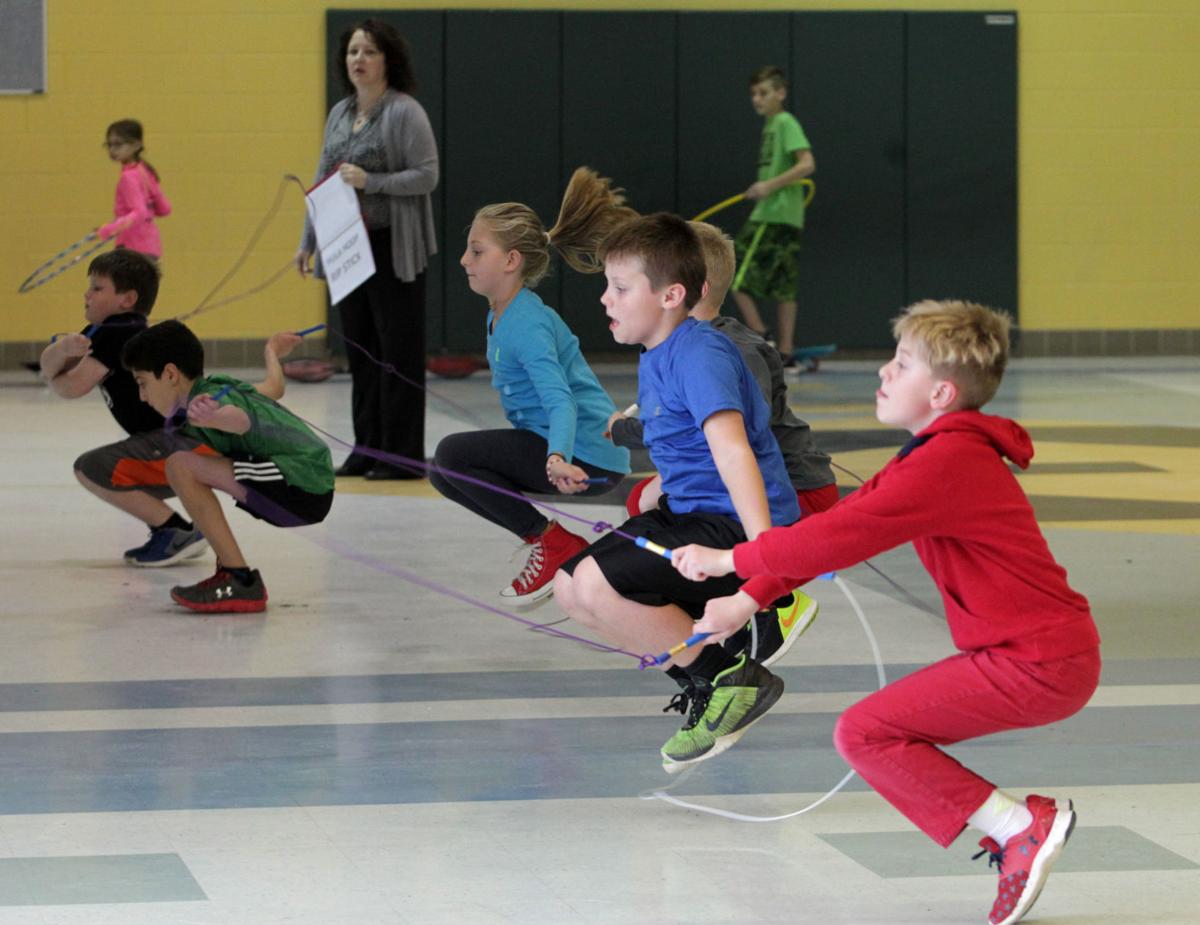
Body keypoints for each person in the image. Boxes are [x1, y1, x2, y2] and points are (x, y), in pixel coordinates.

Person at [672, 300, 1101, 925]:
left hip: (1039, 661)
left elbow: (831, 540)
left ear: (942, 392)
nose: (883, 372)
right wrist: (747, 599)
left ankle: (1019, 828)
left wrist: (728, 561)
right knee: (871, 732)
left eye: (901, 364)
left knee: (867, 732)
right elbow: (834, 527)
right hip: (1034, 654)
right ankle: (1015, 830)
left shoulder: (948, 463)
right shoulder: (932, 456)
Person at [552, 213, 801, 773]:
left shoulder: (700, 354)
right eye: (607, 287)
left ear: (671, 295)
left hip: (732, 527)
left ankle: (726, 679)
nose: (605, 300)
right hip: (691, 514)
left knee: (597, 580)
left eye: (620, 288)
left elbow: (733, 452)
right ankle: (711, 680)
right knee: (570, 585)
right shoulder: (656, 354)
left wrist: (765, 558)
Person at [607, 221, 837, 665]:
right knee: (644, 499)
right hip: (739, 482)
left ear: (682, 289)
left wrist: (622, 431)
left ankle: (773, 603)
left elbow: (741, 440)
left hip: (796, 489)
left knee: (655, 504)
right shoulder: (675, 347)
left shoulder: (724, 350)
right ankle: (708, 599)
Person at [429, 167, 633, 603]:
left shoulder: (528, 324)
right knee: (444, 471)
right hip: (558, 446)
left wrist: (557, 456)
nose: (465, 260)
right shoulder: (501, 312)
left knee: (451, 456)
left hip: (584, 456)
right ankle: (549, 541)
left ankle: (553, 543)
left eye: (476, 251)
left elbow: (560, 400)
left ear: (510, 261)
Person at [296, 18, 438, 480]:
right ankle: (368, 448)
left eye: (369, 51)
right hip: (345, 248)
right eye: (353, 51)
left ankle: (401, 456)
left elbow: (426, 175)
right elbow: (320, 180)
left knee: (397, 351)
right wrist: (307, 242)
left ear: (387, 60)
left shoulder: (405, 111)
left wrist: (370, 181)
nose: (358, 60)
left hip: (392, 245)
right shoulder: (339, 113)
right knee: (360, 351)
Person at [121, 320, 335, 613]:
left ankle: (239, 580)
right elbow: (273, 388)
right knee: (184, 465)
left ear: (170, 374)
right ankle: (232, 573)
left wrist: (215, 416)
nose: (142, 396)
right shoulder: (217, 390)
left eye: (142, 383)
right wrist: (272, 350)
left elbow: (240, 419)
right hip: (310, 484)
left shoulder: (205, 400)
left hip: (301, 482)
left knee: (180, 466)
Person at [40, 250, 208, 566]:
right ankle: (170, 530)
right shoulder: (116, 328)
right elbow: (50, 366)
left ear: (127, 298)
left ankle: (175, 531)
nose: (87, 294)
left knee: (91, 467)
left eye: (97, 288)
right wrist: (61, 351)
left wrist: (55, 372)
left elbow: (71, 387)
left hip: (180, 446)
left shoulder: (116, 332)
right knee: (110, 463)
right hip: (181, 444)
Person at [731, 66, 814, 367]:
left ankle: (761, 335)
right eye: (753, 94)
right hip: (788, 218)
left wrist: (768, 186)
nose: (757, 99)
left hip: (773, 215)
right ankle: (787, 352)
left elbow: (807, 164)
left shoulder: (784, 122)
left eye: (764, 92)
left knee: (732, 270)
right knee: (784, 286)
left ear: (781, 93)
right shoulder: (771, 126)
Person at [97, 119, 172, 260]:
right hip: (151, 247)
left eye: (118, 144)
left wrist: (109, 229)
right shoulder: (145, 171)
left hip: (132, 248)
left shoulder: (128, 177)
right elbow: (165, 209)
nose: (112, 150)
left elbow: (139, 212)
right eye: (109, 145)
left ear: (136, 145)